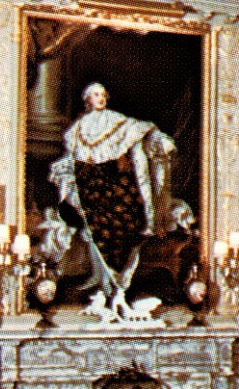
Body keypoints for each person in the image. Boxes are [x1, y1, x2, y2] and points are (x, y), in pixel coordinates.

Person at [48, 82, 177, 304]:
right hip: (92, 189)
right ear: (87, 99)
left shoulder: (117, 121)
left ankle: (118, 288)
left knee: (124, 233)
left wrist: (160, 143)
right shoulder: (77, 129)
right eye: (95, 95)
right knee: (95, 231)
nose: (101, 98)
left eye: (102, 94)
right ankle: (104, 284)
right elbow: (73, 158)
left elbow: (142, 138)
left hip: (117, 190)